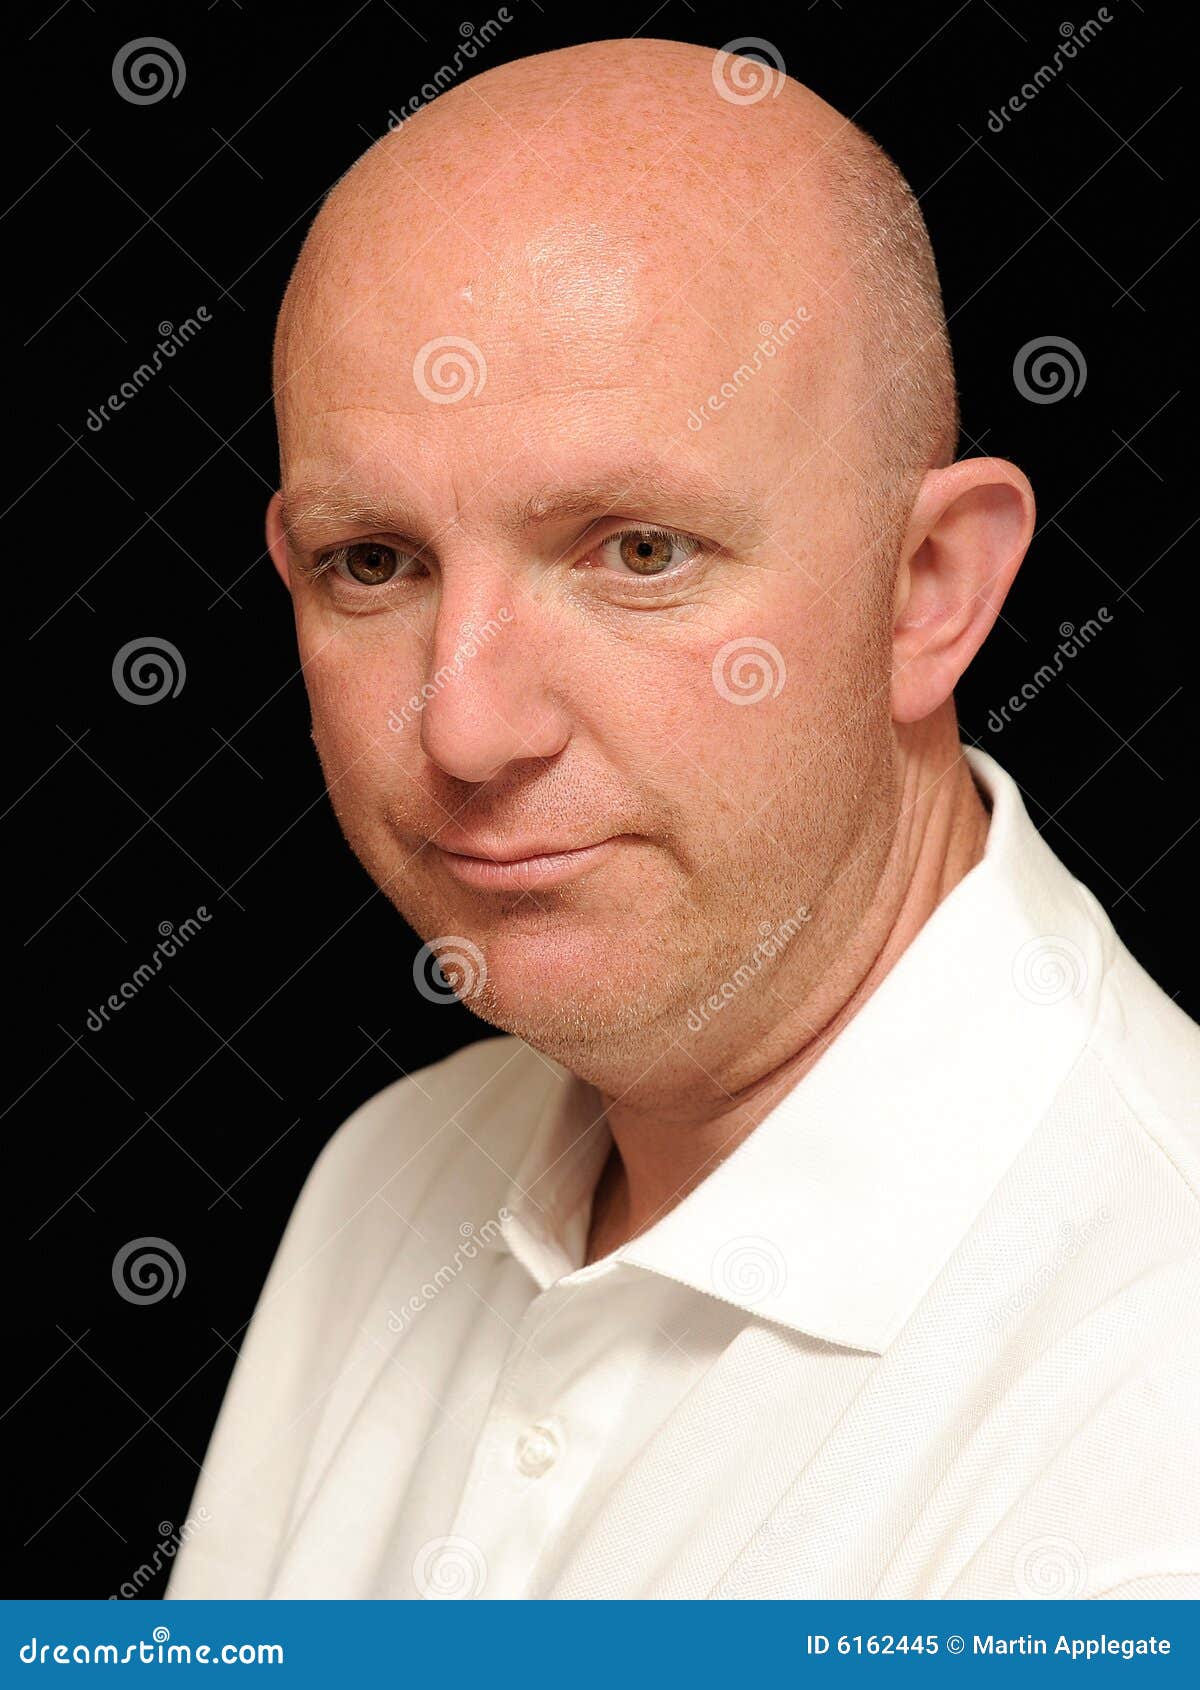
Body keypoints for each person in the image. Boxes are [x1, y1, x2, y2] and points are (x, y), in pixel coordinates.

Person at [166, 37, 1200, 1600]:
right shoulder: (391, 1176)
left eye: (635, 550)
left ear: (931, 591)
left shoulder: (1155, 1376)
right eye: (372, 560)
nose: (464, 721)